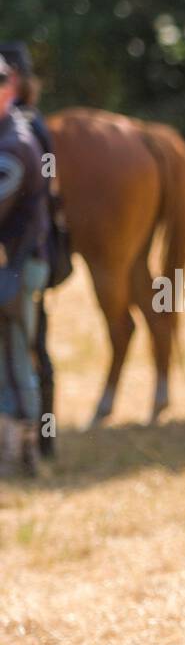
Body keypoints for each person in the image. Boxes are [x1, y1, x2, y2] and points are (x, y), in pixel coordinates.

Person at [0, 41, 66, 459]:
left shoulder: (19, 138)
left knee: (23, 353)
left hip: (23, 260)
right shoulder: (24, 128)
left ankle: (30, 448)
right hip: (26, 257)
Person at [0, 54, 48, 477]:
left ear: (8, 92)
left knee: (15, 360)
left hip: (16, 268)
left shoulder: (14, 144)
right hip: (11, 265)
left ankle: (23, 454)